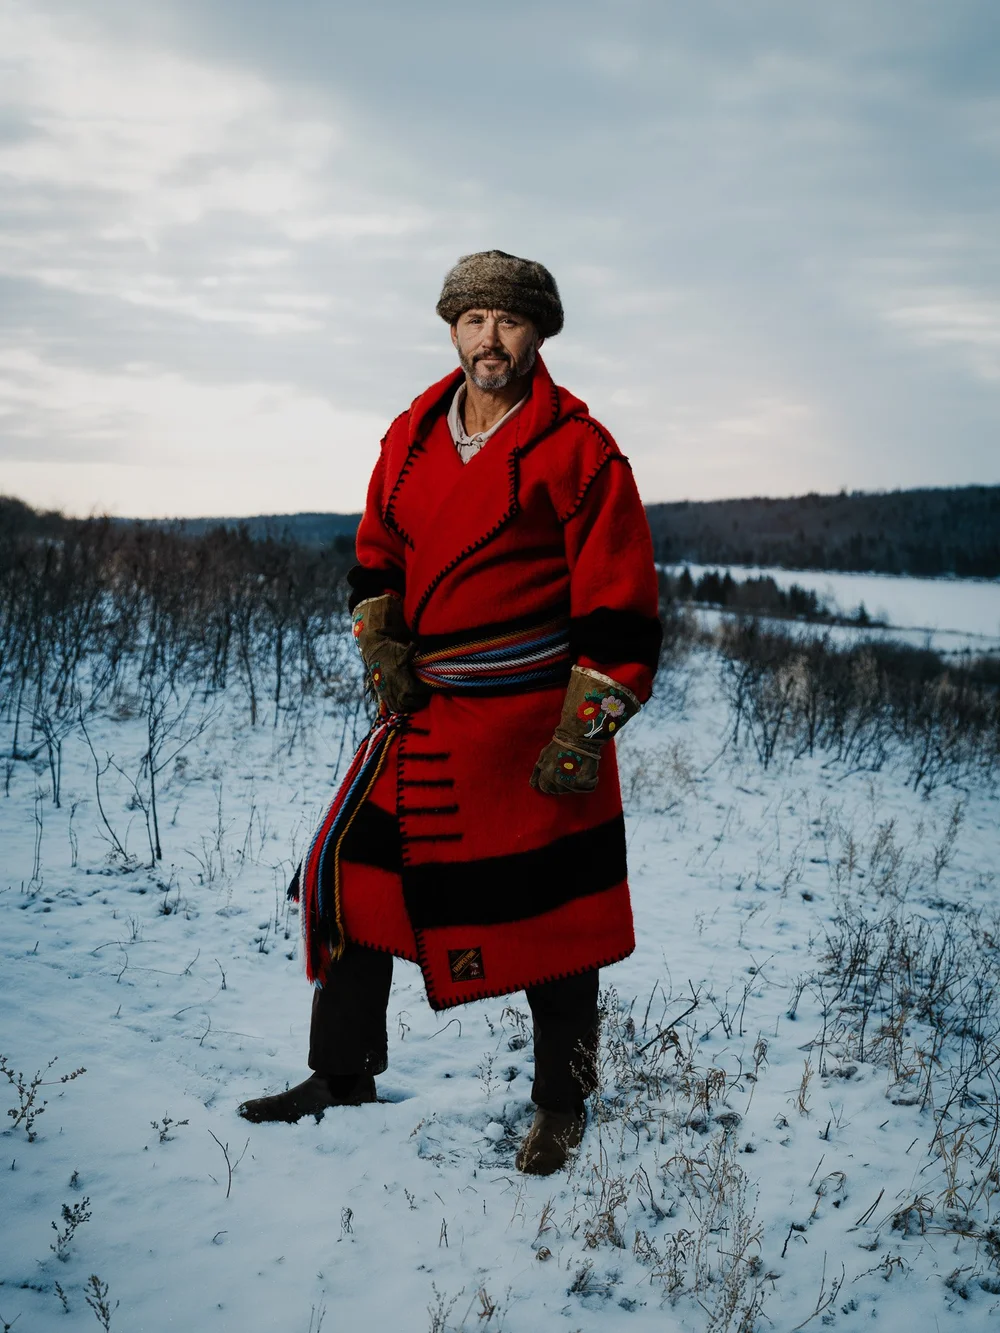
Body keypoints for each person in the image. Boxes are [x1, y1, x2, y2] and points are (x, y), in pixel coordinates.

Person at [239, 250, 662, 1174]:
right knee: (354, 879)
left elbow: (621, 602)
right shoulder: (413, 434)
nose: (489, 339)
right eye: (473, 321)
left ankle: (562, 1105)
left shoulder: (581, 451)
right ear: (453, 331)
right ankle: (340, 1072)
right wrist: (383, 641)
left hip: (532, 724)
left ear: (538, 333)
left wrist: (583, 731)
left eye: (508, 321)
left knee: (556, 922)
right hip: (430, 713)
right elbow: (376, 552)